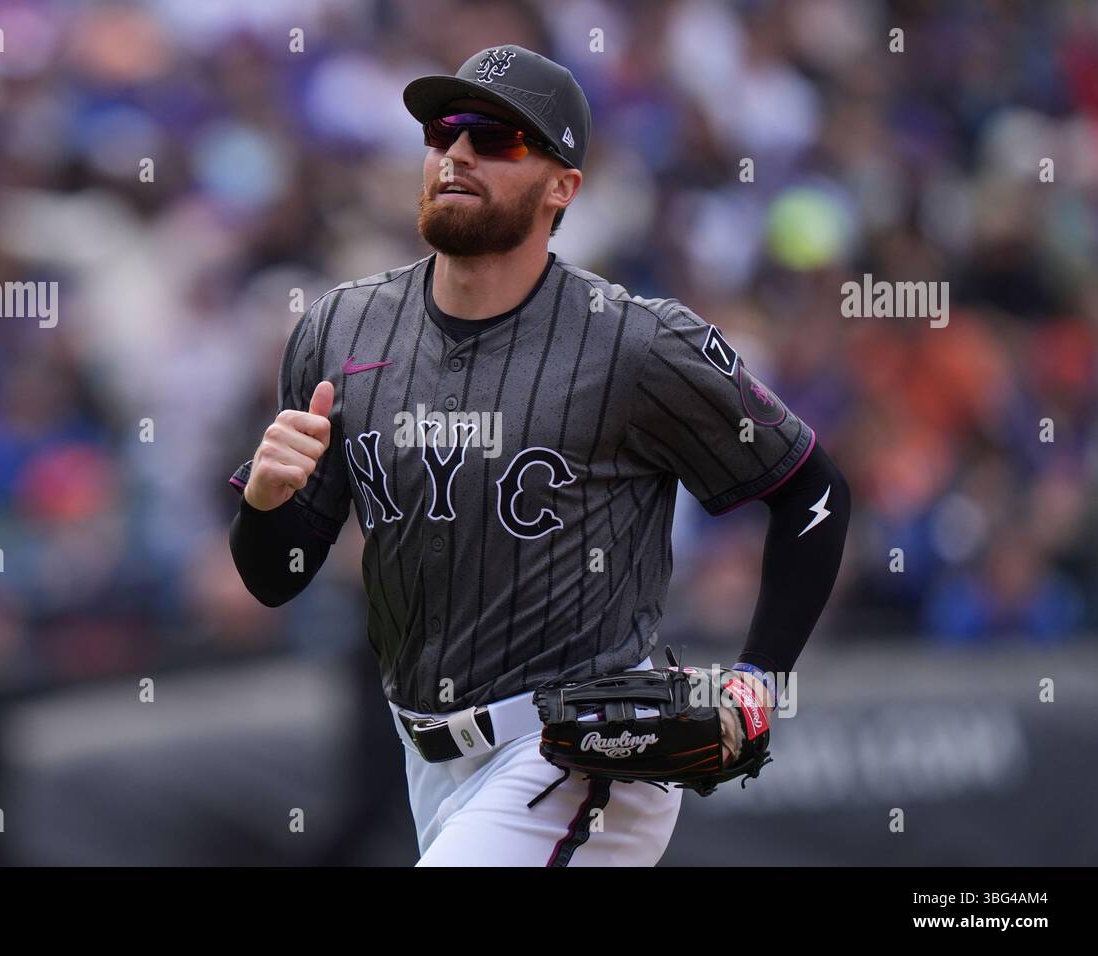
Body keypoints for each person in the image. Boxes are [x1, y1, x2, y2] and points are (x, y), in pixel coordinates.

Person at [229, 44, 850, 866]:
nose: (456, 152)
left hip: (579, 751)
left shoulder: (634, 344)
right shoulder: (342, 330)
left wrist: (758, 678)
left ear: (563, 186)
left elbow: (814, 493)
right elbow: (280, 577)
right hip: (427, 758)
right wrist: (266, 506)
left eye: (497, 138)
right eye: (445, 129)